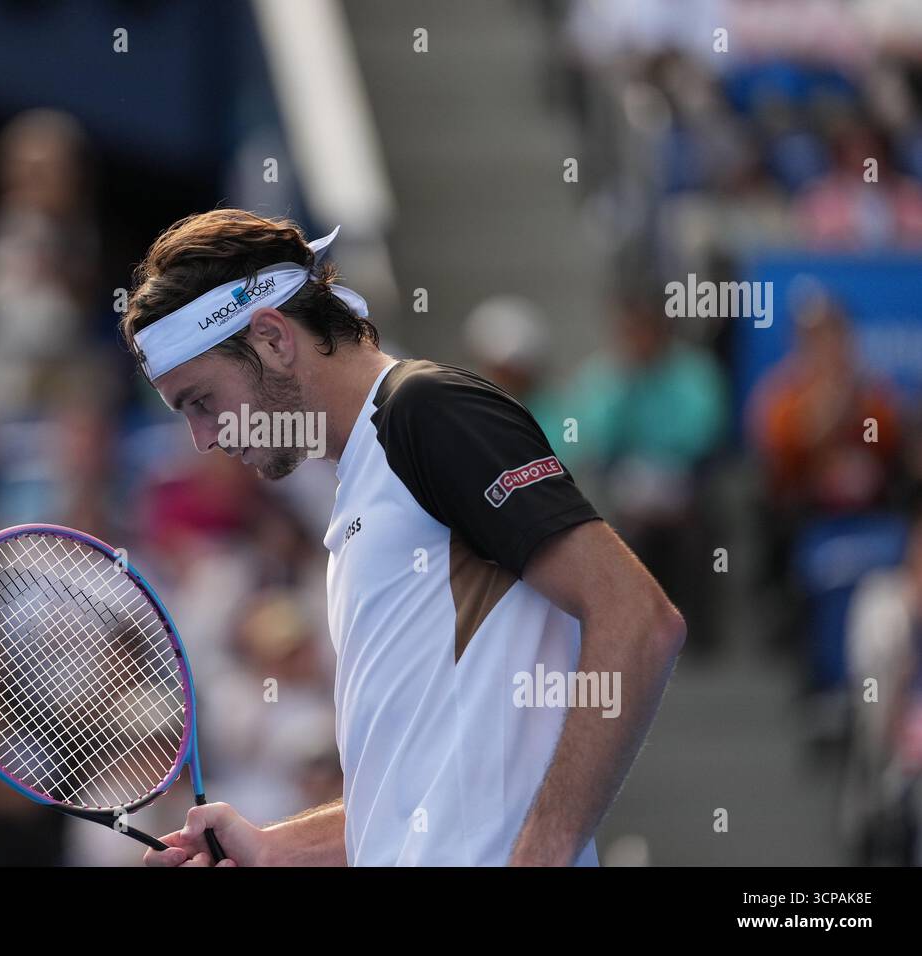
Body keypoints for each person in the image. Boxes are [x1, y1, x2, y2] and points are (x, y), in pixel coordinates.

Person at [120, 210, 686, 866]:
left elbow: (640, 618)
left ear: (272, 338)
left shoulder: (427, 412)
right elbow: (421, 797)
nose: (204, 438)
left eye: (201, 401)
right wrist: (276, 848)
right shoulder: (362, 487)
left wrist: (544, 850)